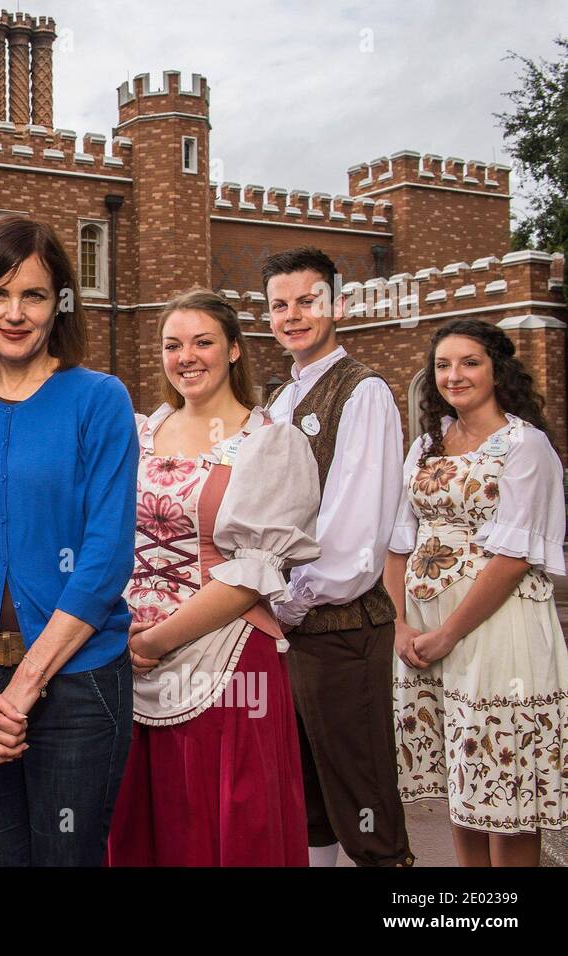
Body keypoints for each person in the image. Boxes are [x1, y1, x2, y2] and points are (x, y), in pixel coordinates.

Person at [0, 217, 136, 867]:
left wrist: (24, 688)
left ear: (60, 303)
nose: (15, 313)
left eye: (34, 295)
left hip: (77, 688)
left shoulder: (99, 401)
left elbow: (105, 560)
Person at [106, 288, 320, 866]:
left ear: (233, 351)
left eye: (203, 342)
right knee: (136, 826)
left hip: (221, 661)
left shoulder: (269, 442)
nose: (187, 357)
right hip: (124, 658)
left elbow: (253, 573)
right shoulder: (136, 433)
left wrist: (153, 641)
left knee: (221, 825)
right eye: (173, 345)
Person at [388, 319, 568, 867]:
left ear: (498, 370)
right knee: (459, 788)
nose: (454, 375)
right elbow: (398, 543)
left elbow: (513, 559)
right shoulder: (424, 445)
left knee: (505, 789)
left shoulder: (525, 446)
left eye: (469, 362)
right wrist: (400, 623)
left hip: (497, 630)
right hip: (421, 632)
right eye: (443, 365)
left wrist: (448, 633)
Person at [262, 247, 415, 867]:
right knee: (308, 798)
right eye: (279, 305)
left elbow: (355, 540)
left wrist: (285, 602)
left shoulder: (364, 391)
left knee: (364, 798)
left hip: (341, 627)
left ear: (337, 305)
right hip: (287, 626)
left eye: (307, 301)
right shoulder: (278, 400)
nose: (292, 315)